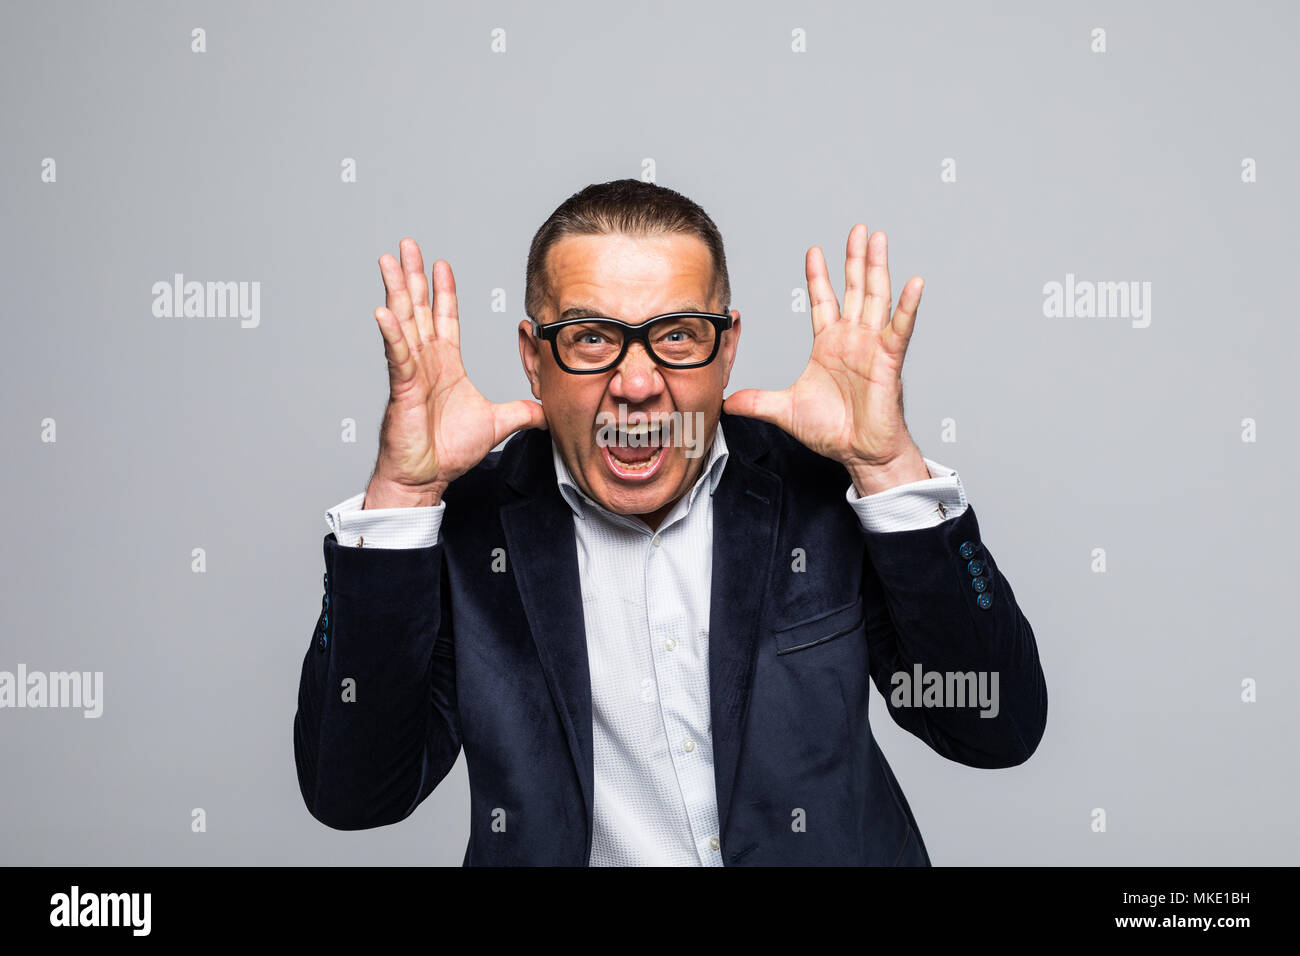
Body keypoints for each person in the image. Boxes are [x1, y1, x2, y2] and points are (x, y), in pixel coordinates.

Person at [293, 179, 1047, 866]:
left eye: (678, 335)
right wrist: (401, 493)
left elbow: (996, 725)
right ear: (534, 357)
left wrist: (888, 469)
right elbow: (355, 794)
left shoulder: (818, 497)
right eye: (591, 337)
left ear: (727, 349)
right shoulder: (467, 528)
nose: (637, 382)